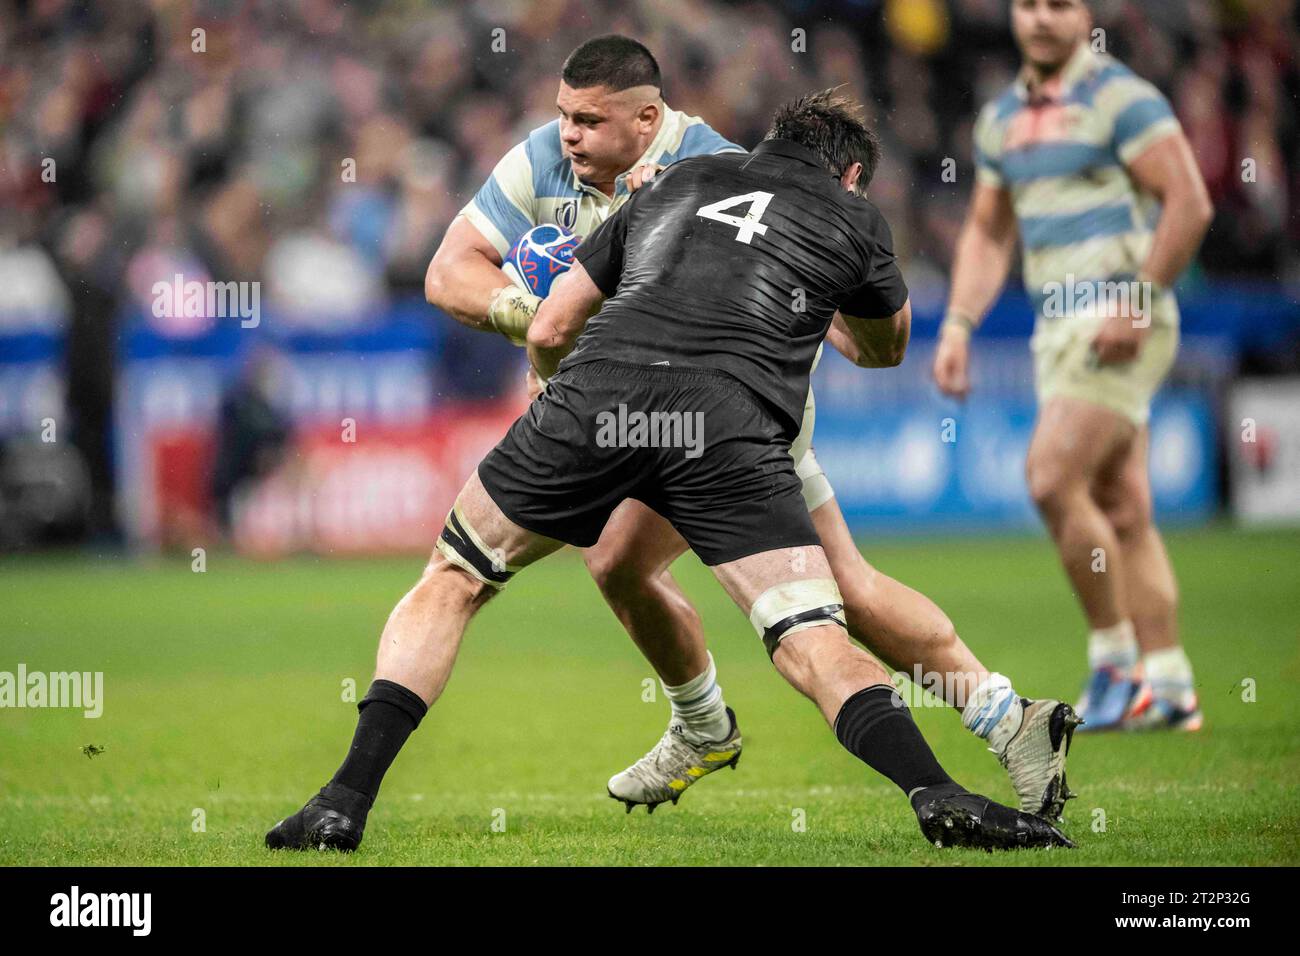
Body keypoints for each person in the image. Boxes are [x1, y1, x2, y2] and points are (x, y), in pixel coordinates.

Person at [267, 89, 1074, 853]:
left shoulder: (675, 179)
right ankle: (933, 789)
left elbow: (550, 325)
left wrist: (553, 392)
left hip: (605, 396)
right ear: (853, 173)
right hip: (732, 418)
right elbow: (885, 347)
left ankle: (344, 798)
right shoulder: (853, 215)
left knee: (457, 575)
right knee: (806, 627)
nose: (574, 135)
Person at [933, 0, 1213, 730]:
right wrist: (959, 323)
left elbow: (1189, 202)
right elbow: (989, 233)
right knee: (1123, 506)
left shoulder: (1119, 96)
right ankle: (1170, 684)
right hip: (1058, 326)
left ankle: (1116, 666)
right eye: (1028, 4)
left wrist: (1140, 299)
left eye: (1058, 4)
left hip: (1118, 317)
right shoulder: (1000, 118)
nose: (1040, 19)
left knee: (1050, 476)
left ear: (1084, 13)